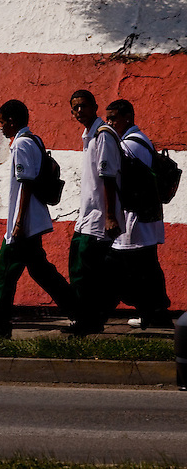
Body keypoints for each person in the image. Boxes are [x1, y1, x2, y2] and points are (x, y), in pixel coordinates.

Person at [0, 99, 79, 339]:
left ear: (11, 121)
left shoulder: (21, 144)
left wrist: (19, 222)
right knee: (42, 272)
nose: (0, 127)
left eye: (1, 122)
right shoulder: (34, 140)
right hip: (34, 220)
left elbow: (26, 184)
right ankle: (80, 312)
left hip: (24, 223)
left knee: (3, 274)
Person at [103, 99, 172, 329]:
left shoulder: (130, 145)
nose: (110, 123)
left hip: (137, 217)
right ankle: (153, 313)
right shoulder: (139, 140)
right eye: (108, 118)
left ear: (128, 118)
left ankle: (152, 312)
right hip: (145, 216)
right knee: (146, 267)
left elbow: (120, 180)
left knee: (131, 267)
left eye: (114, 118)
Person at [66, 89, 124, 335]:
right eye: (76, 108)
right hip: (86, 216)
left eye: (84, 106)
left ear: (95, 106)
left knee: (88, 272)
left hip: (99, 218)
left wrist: (110, 216)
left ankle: (91, 320)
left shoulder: (103, 136)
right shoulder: (88, 135)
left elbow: (108, 178)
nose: (80, 111)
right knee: (79, 269)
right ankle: (86, 318)